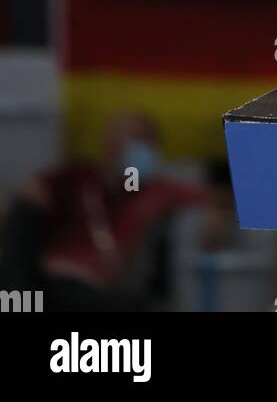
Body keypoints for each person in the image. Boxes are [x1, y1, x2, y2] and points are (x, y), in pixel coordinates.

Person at [0, 110, 224, 311]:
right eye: (134, 139)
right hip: (50, 279)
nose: (142, 148)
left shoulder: (156, 190)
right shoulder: (79, 177)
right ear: (110, 143)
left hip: (99, 288)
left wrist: (215, 211)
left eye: (147, 140)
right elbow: (28, 198)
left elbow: (217, 197)